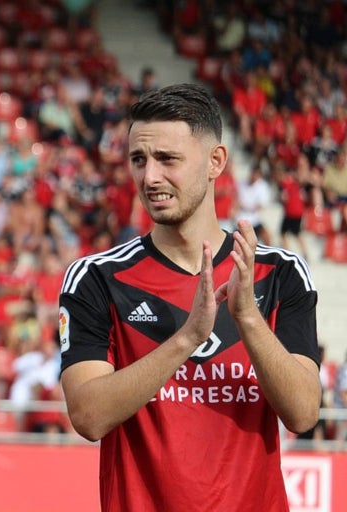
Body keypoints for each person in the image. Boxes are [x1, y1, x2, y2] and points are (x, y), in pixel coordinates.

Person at [58, 84, 320, 511]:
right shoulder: (97, 278)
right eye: (138, 160)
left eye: (167, 159)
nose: (150, 178)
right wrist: (187, 338)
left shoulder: (278, 273)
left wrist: (248, 319)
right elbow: (88, 416)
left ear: (216, 161)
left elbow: (303, 413)